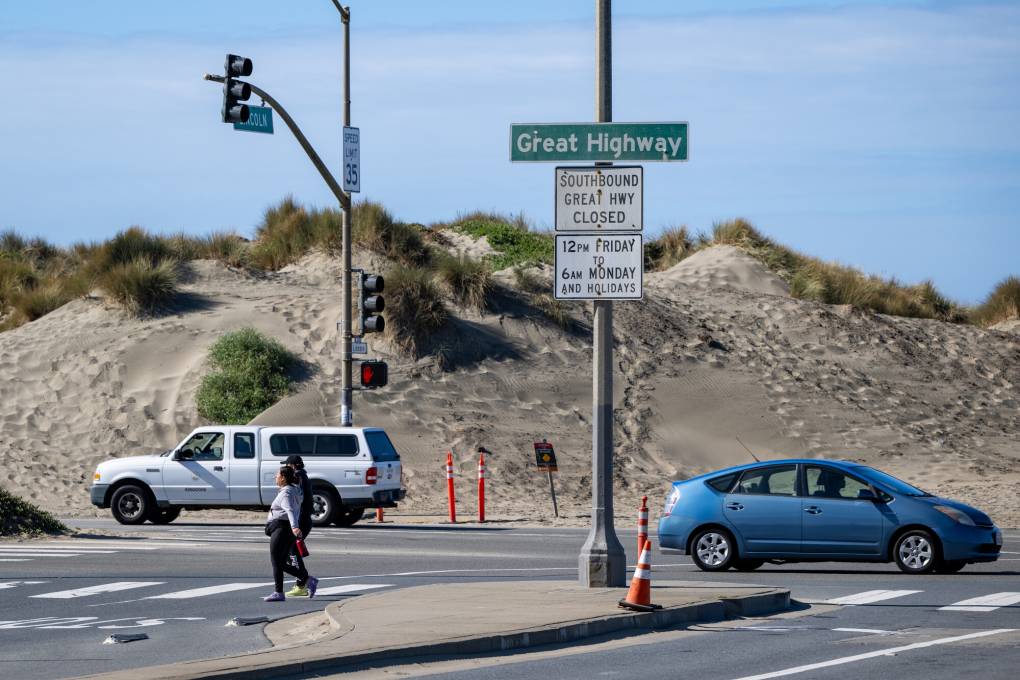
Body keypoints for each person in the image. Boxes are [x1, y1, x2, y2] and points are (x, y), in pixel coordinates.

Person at [263, 465, 318, 602]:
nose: (275, 477)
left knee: (276, 561)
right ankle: (302, 581)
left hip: (282, 528)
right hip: (284, 529)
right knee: (279, 562)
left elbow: (290, 511)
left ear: (283, 477)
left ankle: (284, 590)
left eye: (277, 475)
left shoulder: (286, 493)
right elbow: (294, 510)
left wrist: (295, 527)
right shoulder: (295, 490)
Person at [283, 454, 314, 597]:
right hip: (304, 518)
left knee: (292, 550)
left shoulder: (298, 477)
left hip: (301, 520)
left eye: (287, 465)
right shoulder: (303, 475)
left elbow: (298, 499)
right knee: (292, 550)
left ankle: (302, 583)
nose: (286, 469)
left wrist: (295, 523)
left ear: (293, 465)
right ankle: (303, 581)